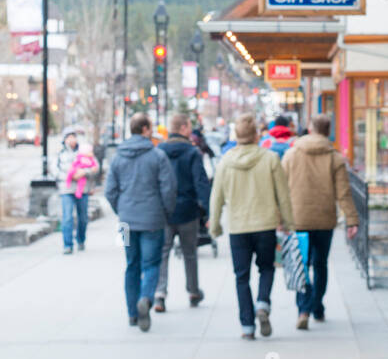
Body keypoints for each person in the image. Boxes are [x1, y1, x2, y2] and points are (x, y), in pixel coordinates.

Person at [209, 113, 295, 339]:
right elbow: (283, 196)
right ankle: (263, 303)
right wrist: (288, 222)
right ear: (257, 134)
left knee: (241, 276)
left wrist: (215, 227)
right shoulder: (270, 159)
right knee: (266, 268)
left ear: (236, 135)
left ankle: (247, 326)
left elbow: (216, 197)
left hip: (238, 227)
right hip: (266, 224)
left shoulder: (225, 162)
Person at [282, 114, 359, 330]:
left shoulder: (291, 155)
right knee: (320, 264)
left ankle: (304, 308)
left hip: (298, 219)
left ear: (309, 128)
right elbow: (343, 193)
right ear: (328, 131)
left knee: (301, 265)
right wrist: (352, 219)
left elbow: (282, 190)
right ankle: (317, 306)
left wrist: (280, 218)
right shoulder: (334, 158)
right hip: (324, 220)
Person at [105, 112, 177, 332]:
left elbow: (110, 191)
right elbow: (168, 188)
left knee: (131, 264)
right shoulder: (157, 156)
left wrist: (122, 209)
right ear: (145, 129)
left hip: (125, 221)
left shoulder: (118, 157)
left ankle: (132, 314)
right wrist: (166, 212)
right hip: (152, 219)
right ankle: (146, 298)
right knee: (151, 263)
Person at [154, 113, 211, 312]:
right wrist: (207, 209)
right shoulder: (193, 152)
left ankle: (160, 293)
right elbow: (201, 182)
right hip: (187, 210)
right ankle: (193, 290)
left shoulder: (159, 151)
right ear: (185, 128)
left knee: (163, 253)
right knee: (190, 253)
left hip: (164, 211)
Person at [55, 129, 99, 255]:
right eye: (68, 137)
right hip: (66, 188)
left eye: (73, 137)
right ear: (64, 140)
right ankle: (67, 244)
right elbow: (55, 171)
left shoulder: (85, 151)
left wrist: (84, 173)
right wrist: (70, 175)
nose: (71, 140)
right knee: (67, 217)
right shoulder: (60, 154)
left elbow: (95, 167)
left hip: (83, 188)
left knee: (83, 217)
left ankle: (81, 239)